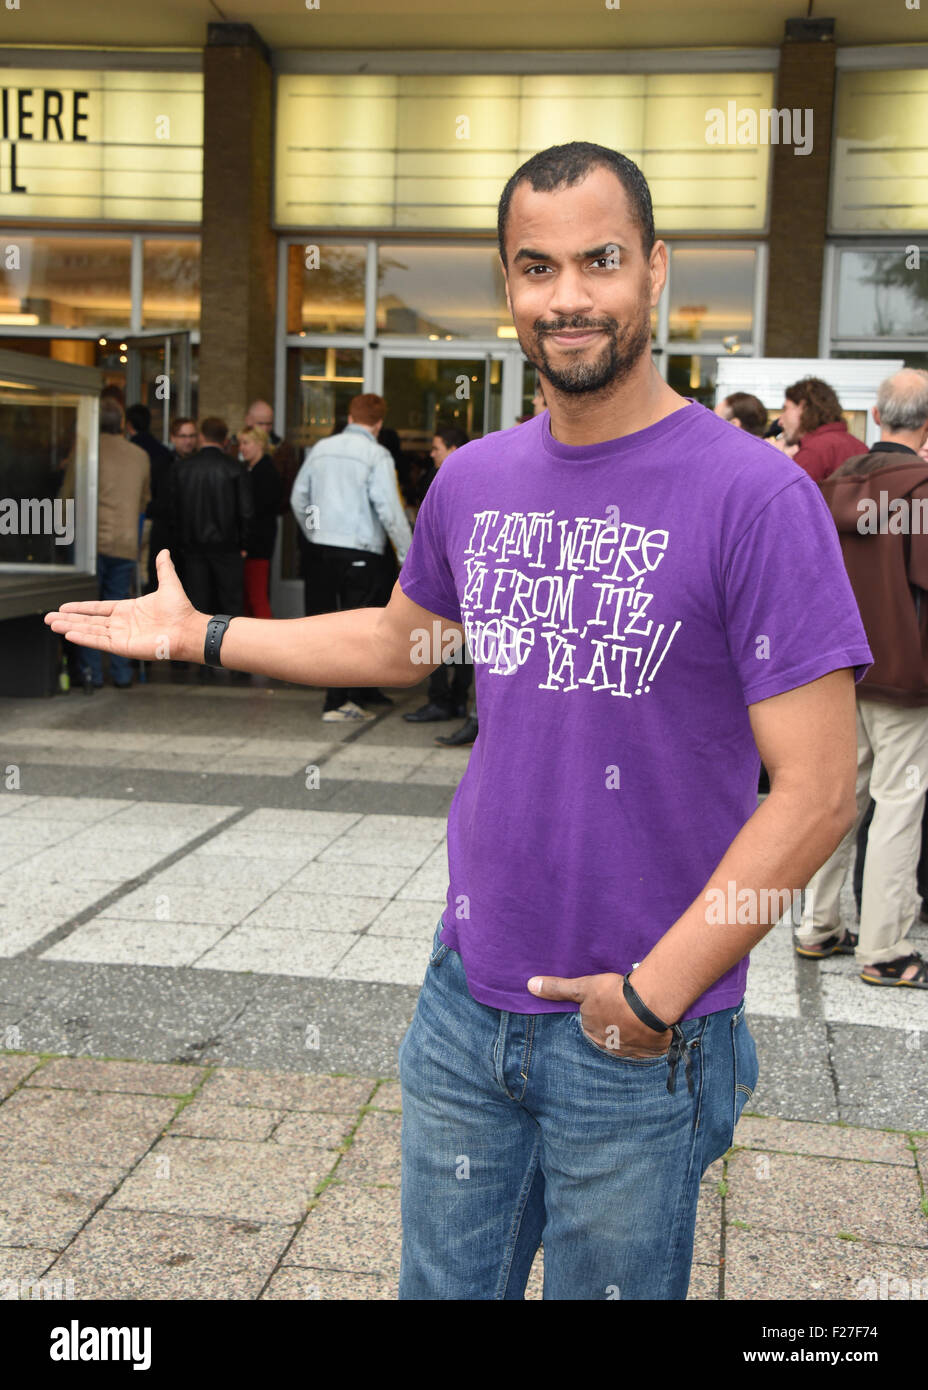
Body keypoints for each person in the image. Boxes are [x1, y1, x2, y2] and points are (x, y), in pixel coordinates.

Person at [44, 140, 871, 1301]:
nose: (568, 296)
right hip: (466, 1001)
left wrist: (652, 997)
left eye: (600, 261)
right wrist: (204, 635)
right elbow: (401, 645)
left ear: (655, 270)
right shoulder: (477, 481)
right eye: (536, 267)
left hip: (642, 1028)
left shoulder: (754, 495)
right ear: (507, 286)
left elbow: (820, 790)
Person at [795, 369, 928, 988]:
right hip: (905, 676)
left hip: (839, 668)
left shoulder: (833, 485)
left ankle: (817, 925)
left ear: (876, 417)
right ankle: (885, 949)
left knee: (840, 799)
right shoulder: (921, 489)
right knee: (900, 804)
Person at [290, 392, 412, 722]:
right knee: (359, 629)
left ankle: (358, 693)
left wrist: (314, 531)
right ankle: (339, 702)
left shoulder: (321, 448)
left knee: (329, 624)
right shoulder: (377, 454)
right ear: (379, 424)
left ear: (349, 418)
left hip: (321, 551)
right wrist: (406, 554)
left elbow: (299, 497)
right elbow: (390, 511)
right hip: (362, 552)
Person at [79, 396, 150, 689]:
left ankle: (92, 673)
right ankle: (121, 673)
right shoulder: (139, 455)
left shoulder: (86, 451)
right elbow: (144, 501)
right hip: (126, 541)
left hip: (91, 544)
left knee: (88, 611)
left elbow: (68, 495)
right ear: (121, 422)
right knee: (119, 609)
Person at [405, 427, 473, 726]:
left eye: (437, 448)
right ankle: (457, 699)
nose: (432, 454)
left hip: (446, 566)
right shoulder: (476, 476)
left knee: (436, 632)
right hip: (463, 566)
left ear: (453, 448)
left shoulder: (445, 478)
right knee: (461, 637)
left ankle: (440, 700)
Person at [169, 416, 253, 624]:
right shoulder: (235, 468)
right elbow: (246, 511)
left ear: (201, 437)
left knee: (197, 608)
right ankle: (230, 645)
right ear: (225, 439)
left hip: (192, 549)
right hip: (228, 548)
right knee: (230, 607)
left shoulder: (182, 468)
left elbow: (174, 511)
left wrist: (180, 543)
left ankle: (197, 645)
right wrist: (244, 543)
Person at [771, 377, 868, 482]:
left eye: (785, 409)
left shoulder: (813, 452)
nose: (780, 421)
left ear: (803, 407)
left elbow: (789, 491)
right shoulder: (860, 447)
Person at [126, 404, 174, 596]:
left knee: (130, 568)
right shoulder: (163, 452)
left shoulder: (129, 451)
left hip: (132, 515)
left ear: (128, 424)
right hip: (154, 517)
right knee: (147, 569)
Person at [240, 425, 283, 620]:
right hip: (255, 543)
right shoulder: (253, 470)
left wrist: (246, 544)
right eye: (241, 443)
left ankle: (268, 636)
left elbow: (258, 513)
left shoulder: (264, 473)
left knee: (256, 596)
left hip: (257, 544)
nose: (242, 448)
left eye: (246, 443)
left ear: (259, 444)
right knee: (250, 597)